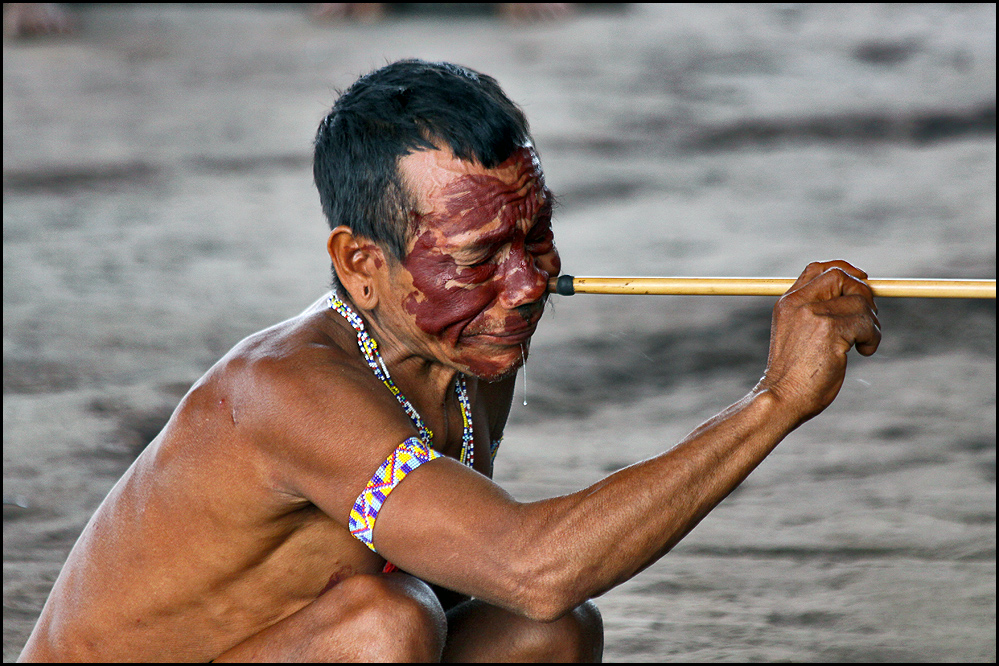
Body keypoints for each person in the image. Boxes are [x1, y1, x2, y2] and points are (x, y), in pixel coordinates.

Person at [18, 59, 881, 662]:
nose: (525, 287)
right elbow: (529, 565)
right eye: (475, 258)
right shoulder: (282, 392)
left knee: (549, 633)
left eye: (536, 238)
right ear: (362, 265)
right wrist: (773, 401)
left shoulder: (463, 352)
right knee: (383, 626)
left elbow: (530, 597)